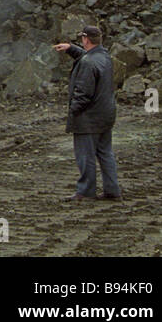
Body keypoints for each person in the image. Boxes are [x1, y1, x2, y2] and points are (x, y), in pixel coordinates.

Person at [52, 25, 122, 202]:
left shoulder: (88, 63)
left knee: (86, 156)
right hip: (105, 115)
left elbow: (83, 94)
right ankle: (112, 190)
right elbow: (87, 56)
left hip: (88, 118)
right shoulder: (104, 56)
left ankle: (86, 191)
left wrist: (73, 112)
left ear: (86, 39)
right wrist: (71, 48)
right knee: (105, 153)